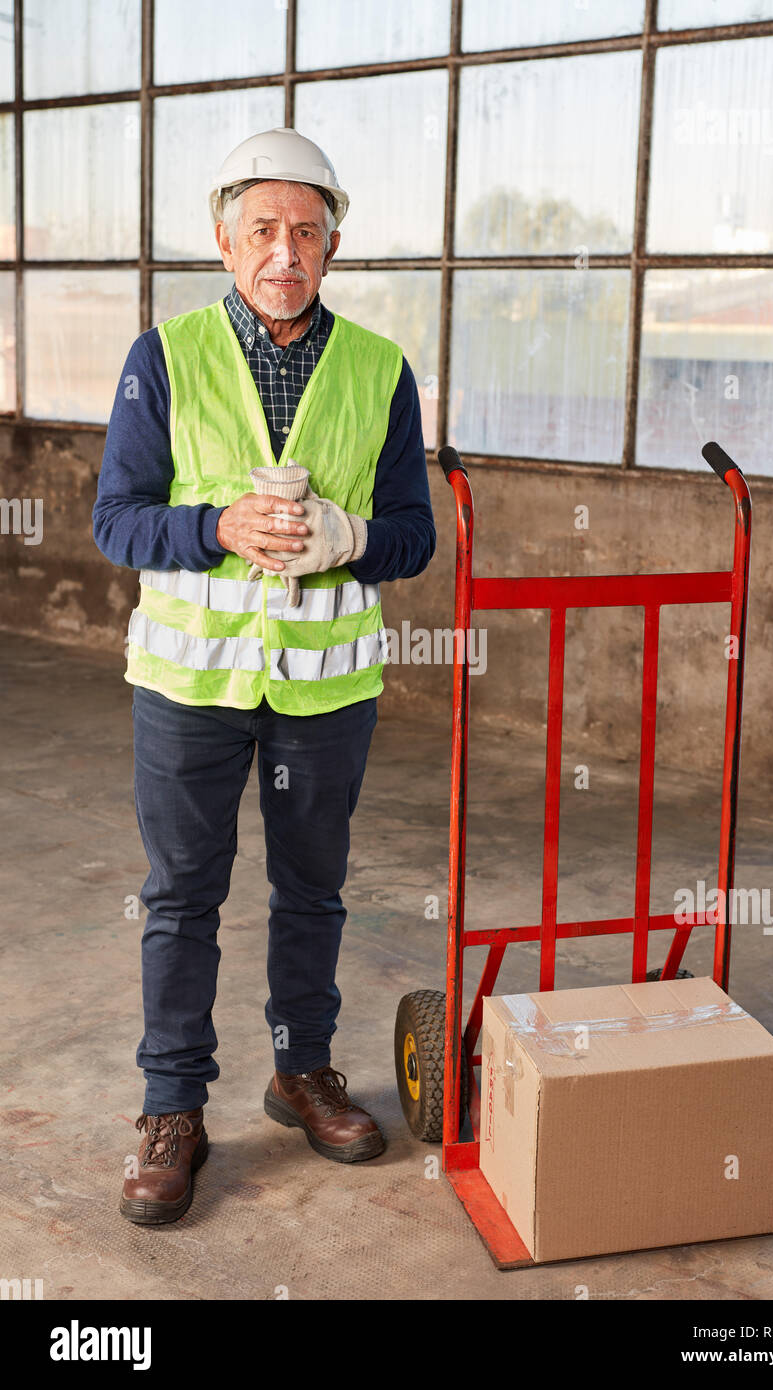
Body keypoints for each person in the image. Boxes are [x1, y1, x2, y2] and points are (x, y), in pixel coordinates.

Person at [93, 127, 436, 1225]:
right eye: (261, 230)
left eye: (304, 230)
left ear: (333, 244)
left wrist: (345, 534)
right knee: (181, 895)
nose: (282, 250)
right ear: (222, 241)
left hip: (323, 693)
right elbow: (115, 520)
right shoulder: (165, 355)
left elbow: (412, 539)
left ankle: (302, 1071)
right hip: (189, 686)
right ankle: (171, 1108)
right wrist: (217, 525)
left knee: (313, 891)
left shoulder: (379, 369)